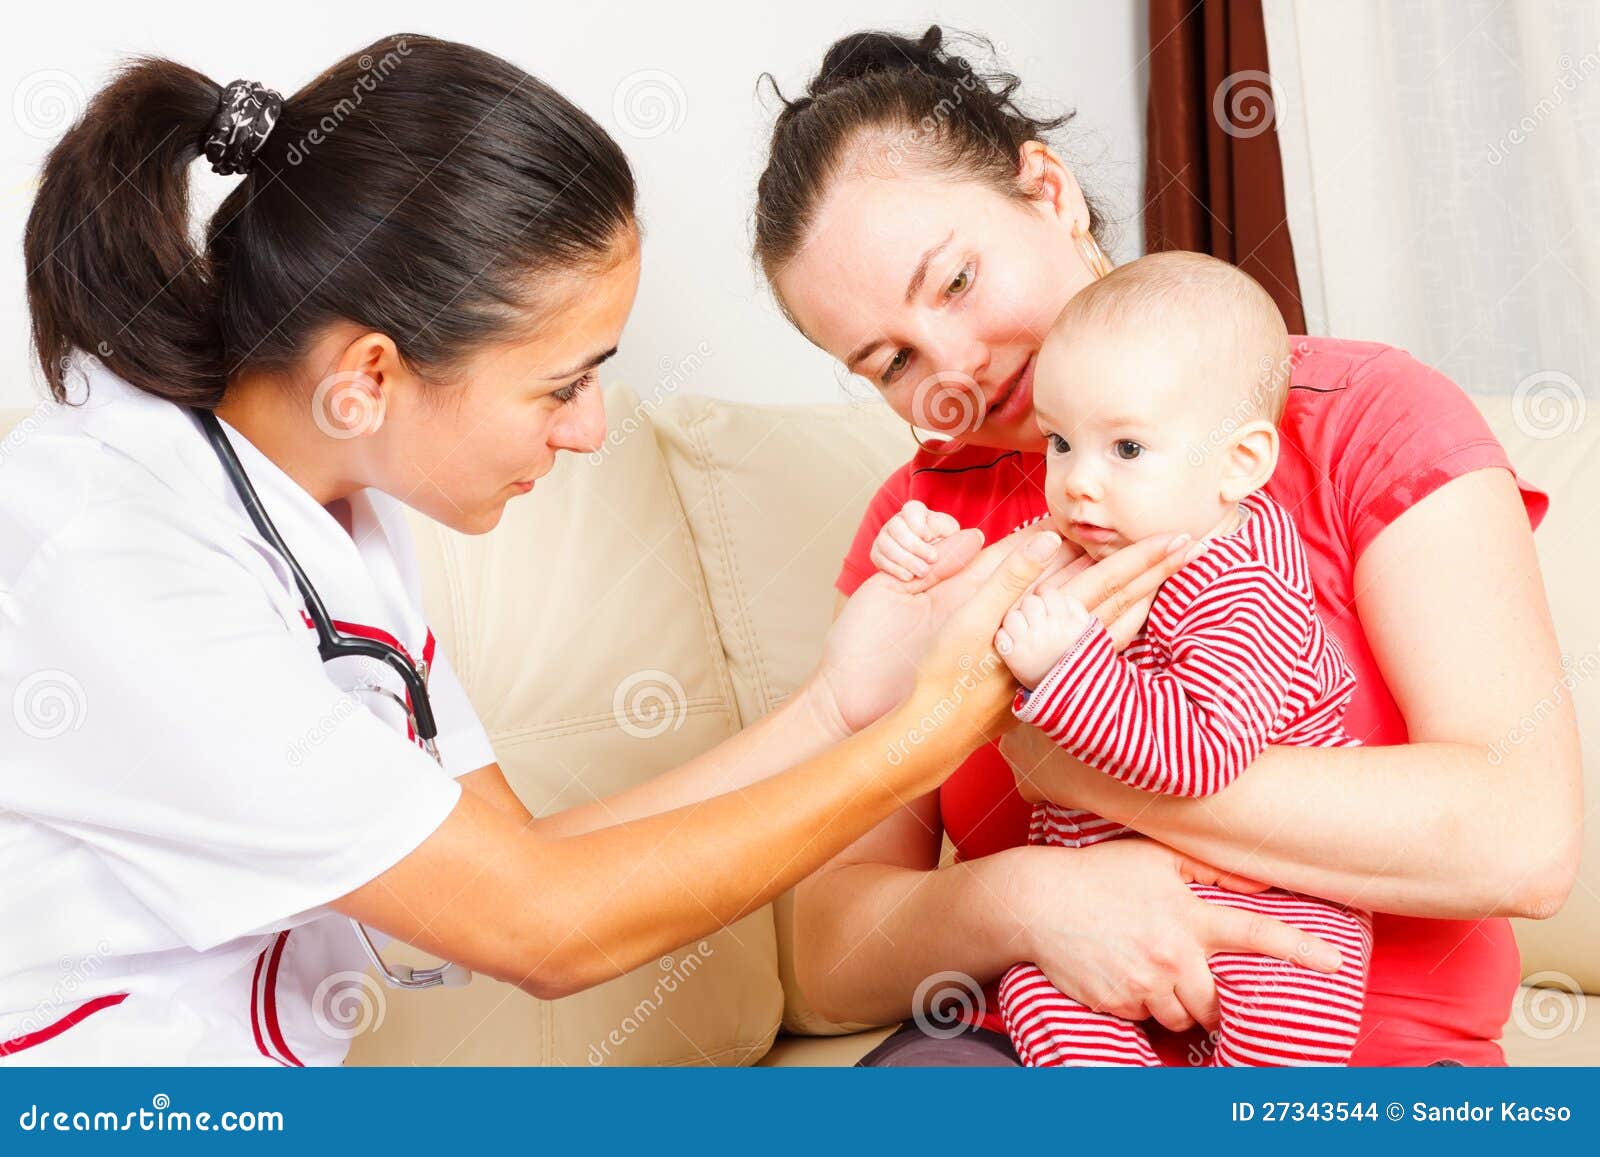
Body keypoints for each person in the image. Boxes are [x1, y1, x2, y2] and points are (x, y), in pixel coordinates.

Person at [0, 34, 1226, 1065]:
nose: (590, 431)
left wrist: (835, 705)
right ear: (371, 376)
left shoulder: (338, 520)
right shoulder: (110, 548)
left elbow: (518, 860)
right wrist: (934, 724)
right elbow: (539, 928)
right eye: (562, 383)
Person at [753, 26, 1580, 1067]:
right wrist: (1030, 898)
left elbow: (1522, 837)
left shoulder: (1364, 418)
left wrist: (1069, 759)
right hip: (1032, 1052)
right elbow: (829, 957)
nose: (953, 366)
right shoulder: (923, 528)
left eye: (956, 282)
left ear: (1047, 190)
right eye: (890, 361)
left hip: (1358, 1065)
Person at [872, 251, 1372, 1066]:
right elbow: (987, 594)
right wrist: (935, 563)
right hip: (1097, 901)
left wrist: (1069, 668)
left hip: (1274, 901)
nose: (1076, 484)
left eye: (1127, 449)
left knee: (1293, 1000)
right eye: (1061, 443)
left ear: (1239, 463)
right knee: (1032, 990)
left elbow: (1203, 754)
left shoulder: (1247, 585)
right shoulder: (1100, 536)